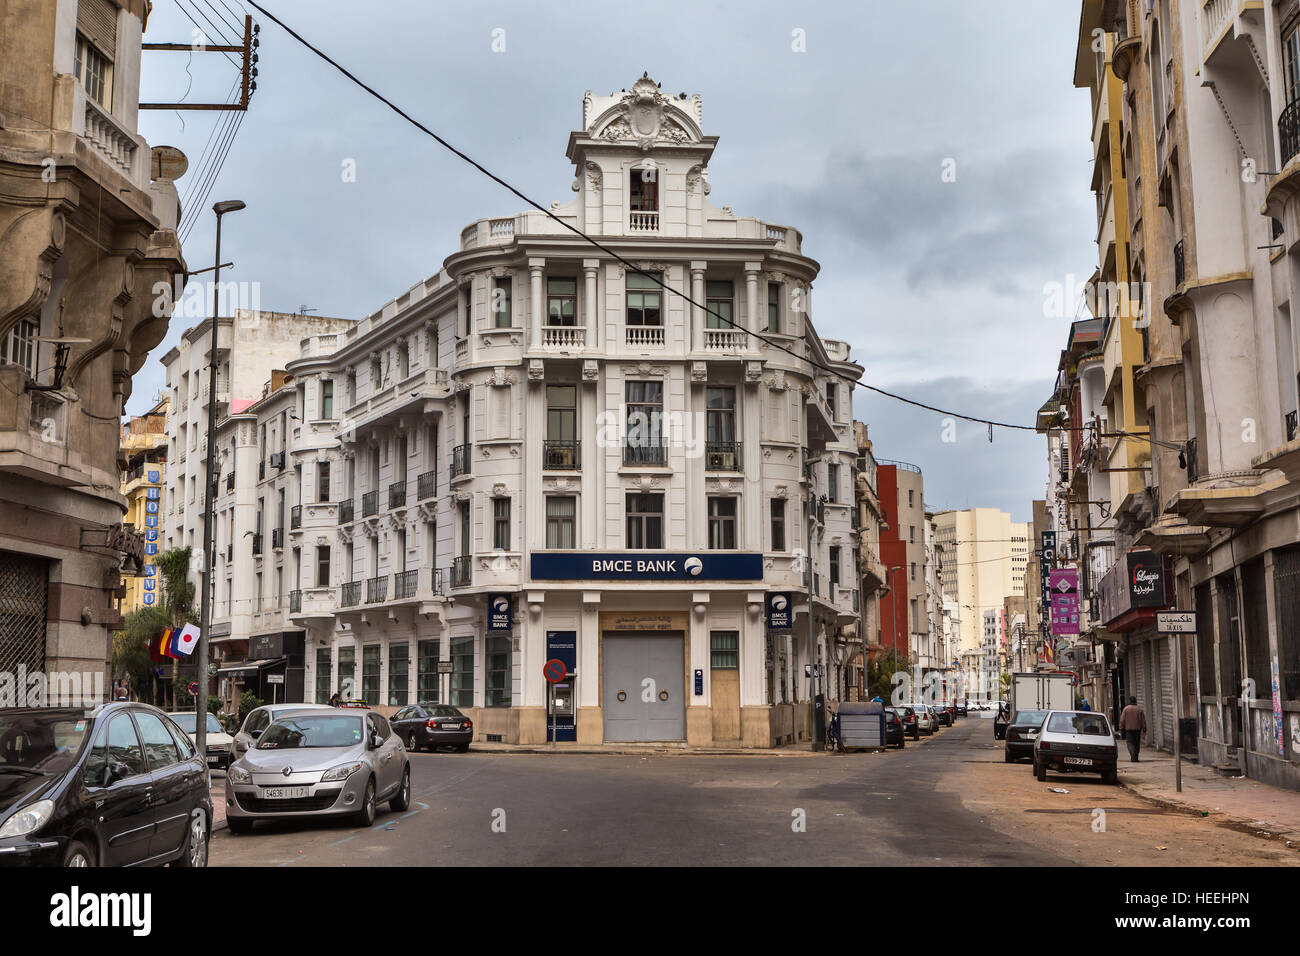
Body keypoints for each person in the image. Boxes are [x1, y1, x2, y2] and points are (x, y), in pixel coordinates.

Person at [1118, 696, 1147, 762]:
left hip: (1129, 730)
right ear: (1135, 701)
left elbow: (1122, 720)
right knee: (1137, 743)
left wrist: (1121, 728)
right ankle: (1135, 757)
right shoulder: (1139, 709)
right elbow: (1143, 720)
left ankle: (1132, 754)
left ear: (1130, 701)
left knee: (1130, 743)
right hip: (1137, 730)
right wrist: (1144, 729)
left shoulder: (1126, 709)